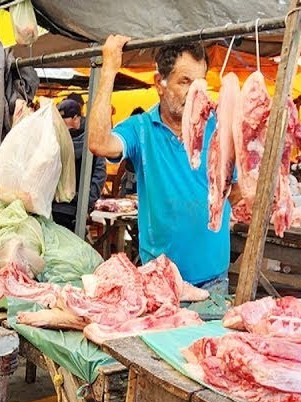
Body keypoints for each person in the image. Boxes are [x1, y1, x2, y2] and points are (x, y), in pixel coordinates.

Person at [89, 36, 245, 293]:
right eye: (184, 82)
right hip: (160, 281)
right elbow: (99, 143)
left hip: (214, 280)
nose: (195, 93)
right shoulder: (141, 129)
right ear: (159, 84)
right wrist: (109, 71)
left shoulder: (218, 127)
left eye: (200, 83)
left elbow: (236, 191)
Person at [52, 97, 107, 233]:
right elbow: (100, 175)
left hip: (56, 208)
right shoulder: (93, 142)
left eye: (64, 118)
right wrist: (87, 202)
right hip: (77, 209)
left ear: (76, 118)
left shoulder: (53, 142)